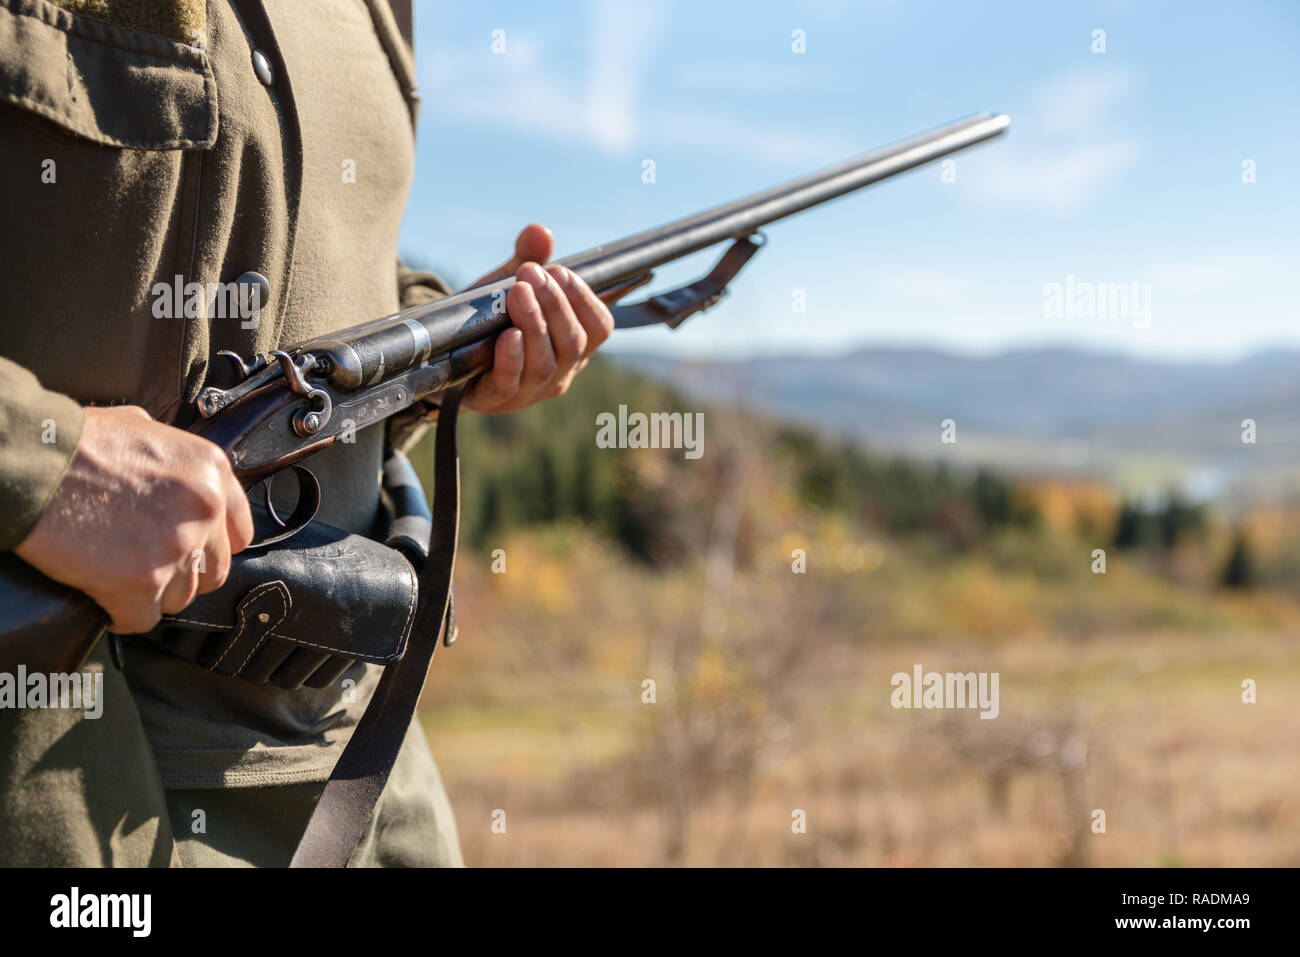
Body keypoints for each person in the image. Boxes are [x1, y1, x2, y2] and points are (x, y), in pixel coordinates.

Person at [0, 0, 613, 866]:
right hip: (65, 761)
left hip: (358, 738)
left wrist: (460, 344)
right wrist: (44, 460)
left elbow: (306, 265)